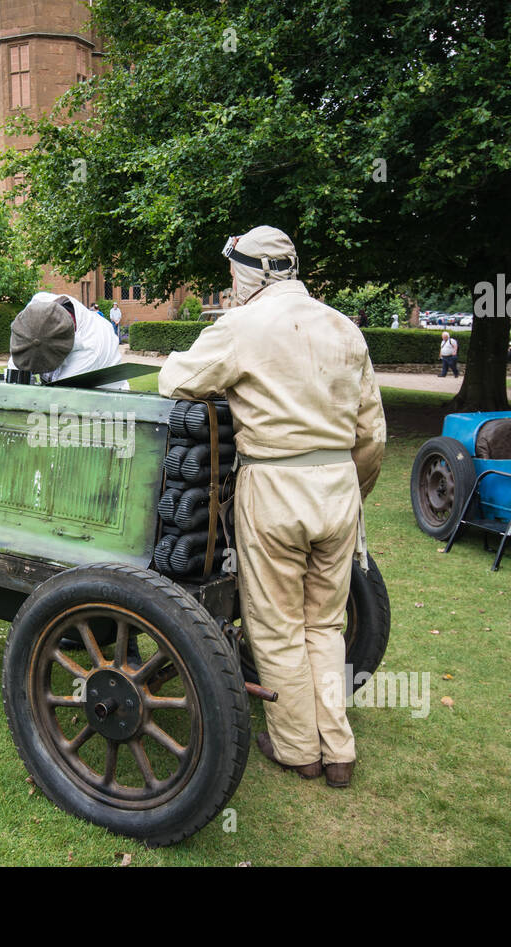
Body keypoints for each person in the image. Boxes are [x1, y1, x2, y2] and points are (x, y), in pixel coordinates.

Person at [159, 225, 386, 789]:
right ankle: (338, 750)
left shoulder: (240, 326)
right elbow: (372, 434)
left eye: (233, 272)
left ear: (247, 273)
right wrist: (350, 491)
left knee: (279, 625)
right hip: (338, 489)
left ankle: (295, 749)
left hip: (275, 488)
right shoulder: (344, 327)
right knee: (326, 627)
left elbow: (175, 380)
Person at [6, 292, 124, 386]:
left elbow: (58, 398)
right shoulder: (38, 303)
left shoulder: (92, 348)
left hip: (102, 401)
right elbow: (20, 356)